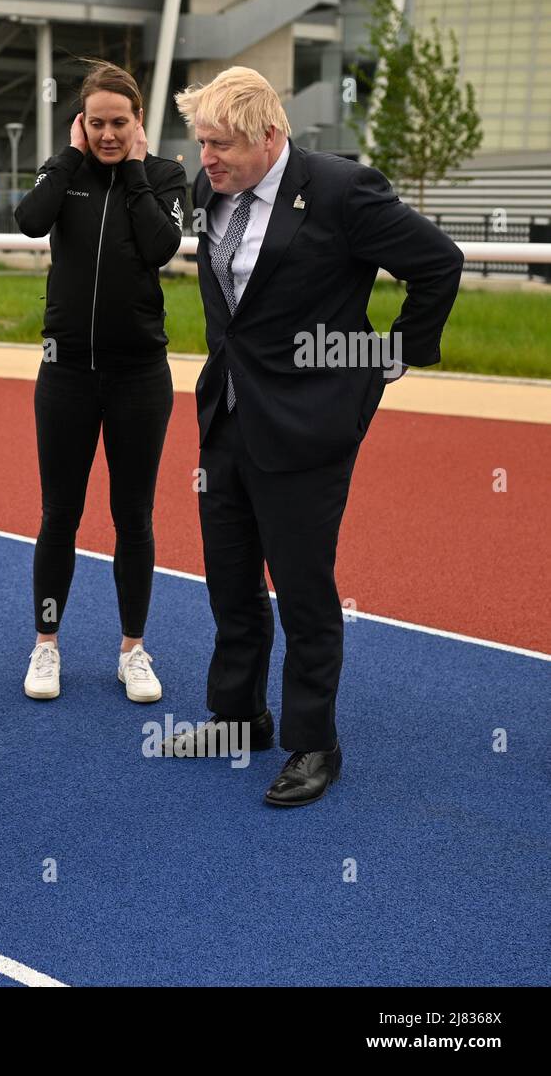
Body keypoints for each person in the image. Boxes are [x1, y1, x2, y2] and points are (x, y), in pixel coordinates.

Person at [167, 66, 463, 805]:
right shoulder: (209, 190)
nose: (207, 157)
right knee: (230, 579)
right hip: (228, 415)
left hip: (309, 423)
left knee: (301, 589)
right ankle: (239, 716)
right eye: (201, 141)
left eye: (222, 143)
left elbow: (439, 263)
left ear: (271, 136)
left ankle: (314, 743)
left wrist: (388, 359)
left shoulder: (340, 190)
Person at [13, 59, 187, 706]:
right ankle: (47, 644)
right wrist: (67, 156)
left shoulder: (165, 175)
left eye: (120, 122)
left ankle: (132, 650)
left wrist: (137, 170)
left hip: (139, 375)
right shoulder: (67, 172)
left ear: (138, 122)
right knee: (59, 514)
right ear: (80, 124)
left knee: (132, 516)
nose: (108, 134)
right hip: (65, 374)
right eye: (97, 123)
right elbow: (30, 220)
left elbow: (160, 246)